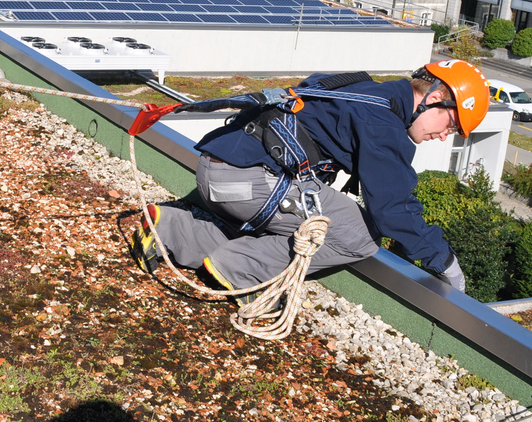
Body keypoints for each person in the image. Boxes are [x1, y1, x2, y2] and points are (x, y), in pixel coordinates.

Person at [130, 60, 489, 297]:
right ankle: (237, 270)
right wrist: (444, 262)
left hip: (220, 172)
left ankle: (169, 228)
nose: (445, 136)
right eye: (451, 125)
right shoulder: (383, 125)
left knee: (292, 222)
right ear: (436, 98)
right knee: (360, 236)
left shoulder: (362, 86)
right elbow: (394, 210)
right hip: (246, 183)